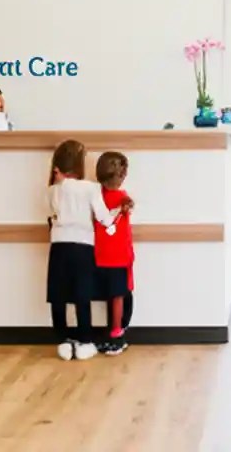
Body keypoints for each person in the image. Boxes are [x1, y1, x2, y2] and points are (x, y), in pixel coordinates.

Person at [44, 139, 113, 361]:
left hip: (58, 245)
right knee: (82, 293)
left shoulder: (53, 190)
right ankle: (85, 341)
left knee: (59, 295)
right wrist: (117, 216)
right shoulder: (91, 188)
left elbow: (53, 213)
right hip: (83, 245)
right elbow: (103, 217)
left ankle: (63, 341)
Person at [93, 151, 136, 355]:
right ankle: (116, 333)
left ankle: (112, 332)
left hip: (101, 255)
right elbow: (128, 202)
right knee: (118, 296)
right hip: (118, 256)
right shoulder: (120, 197)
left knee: (111, 296)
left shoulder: (96, 196)